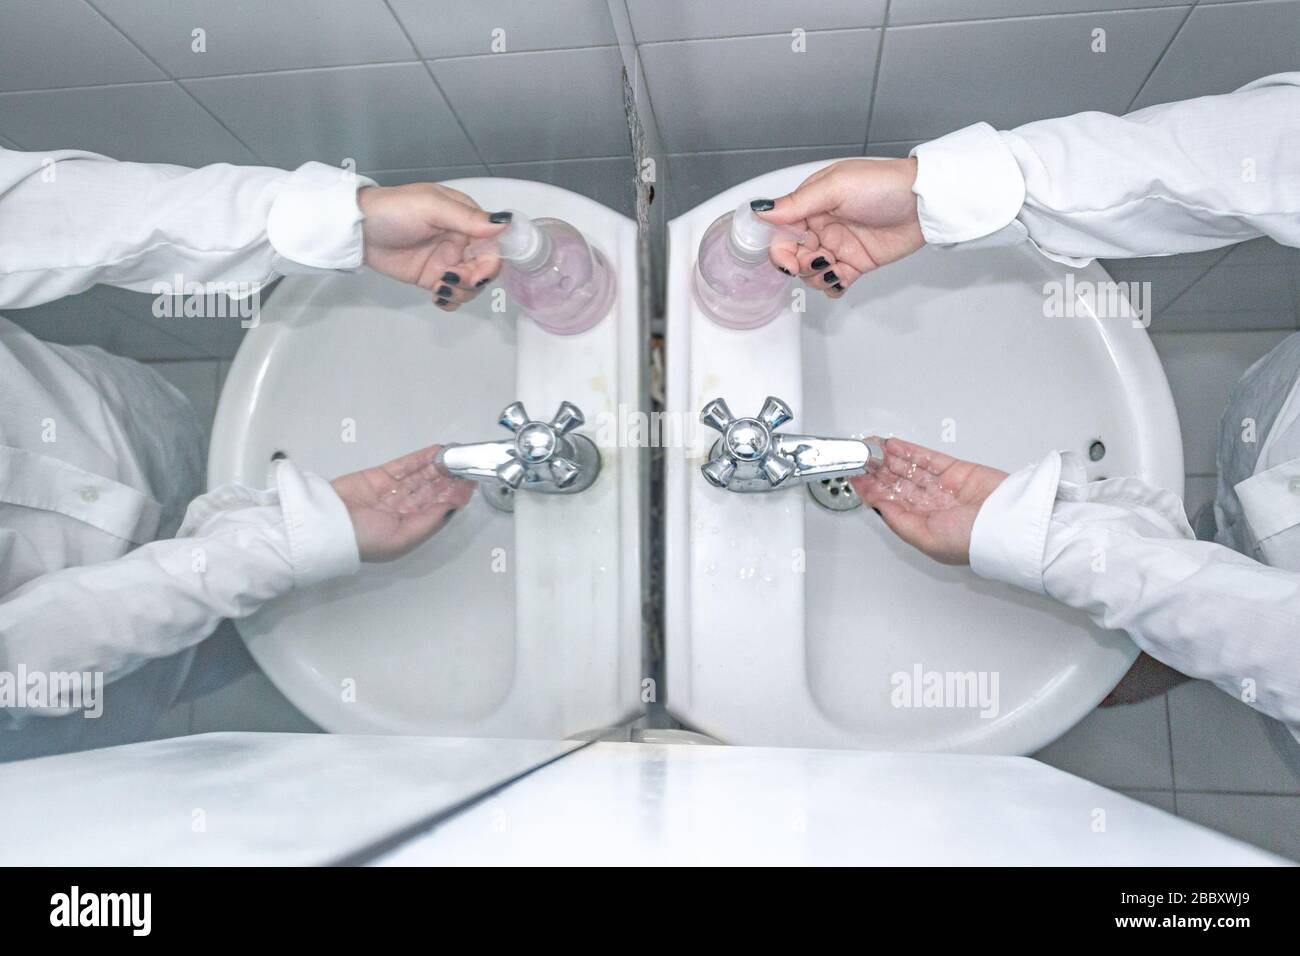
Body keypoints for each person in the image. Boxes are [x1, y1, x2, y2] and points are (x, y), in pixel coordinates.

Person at [756, 72, 1300, 736]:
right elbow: (1271, 151)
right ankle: (1192, 607)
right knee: (1224, 552)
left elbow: (1278, 646)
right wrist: (952, 195)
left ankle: (1176, 651)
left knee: (1212, 630)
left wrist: (1044, 540)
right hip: (1280, 434)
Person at [0, 147, 510, 759]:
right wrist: (280, 548)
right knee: (274, 637)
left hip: (105, 420)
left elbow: (35, 211)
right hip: (128, 650)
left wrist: (335, 221)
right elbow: (24, 655)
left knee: (188, 438)